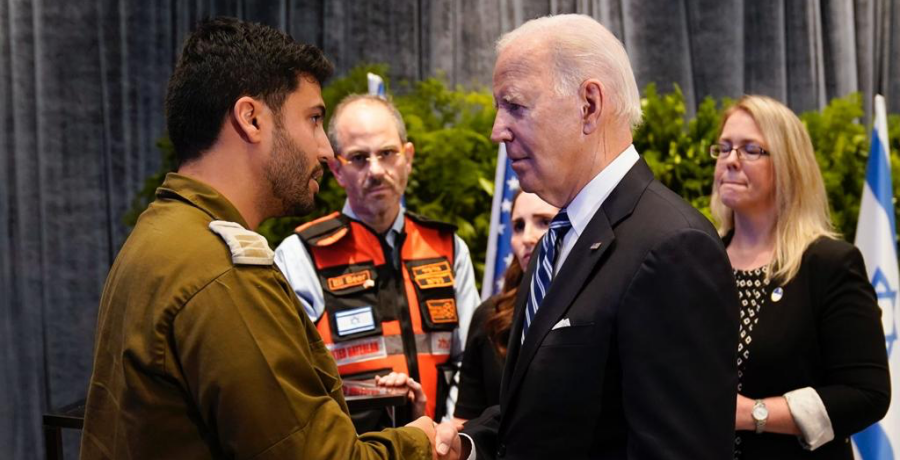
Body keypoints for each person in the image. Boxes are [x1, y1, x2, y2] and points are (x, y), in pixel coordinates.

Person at [80, 17, 461, 460]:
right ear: (251, 119)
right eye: (314, 119)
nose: (324, 149)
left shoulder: (159, 235)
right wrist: (419, 442)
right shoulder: (223, 273)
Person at [460, 14, 741, 459]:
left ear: (589, 104)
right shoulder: (562, 235)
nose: (497, 130)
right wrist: (467, 444)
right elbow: (549, 410)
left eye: (515, 106)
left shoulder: (672, 247)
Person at [274, 94, 480, 422]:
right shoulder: (301, 254)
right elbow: (290, 380)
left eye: (387, 153)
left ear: (407, 157)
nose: (376, 170)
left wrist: (447, 438)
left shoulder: (448, 248)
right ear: (337, 170)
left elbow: (471, 364)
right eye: (358, 158)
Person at [710, 95, 891, 459]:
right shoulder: (701, 263)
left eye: (750, 150)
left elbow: (867, 394)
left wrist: (753, 413)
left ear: (789, 165)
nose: (730, 161)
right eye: (724, 148)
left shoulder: (829, 264)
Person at [453, 191, 557, 423]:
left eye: (544, 222)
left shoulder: (595, 305)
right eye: (518, 226)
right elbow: (464, 423)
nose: (527, 238)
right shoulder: (490, 316)